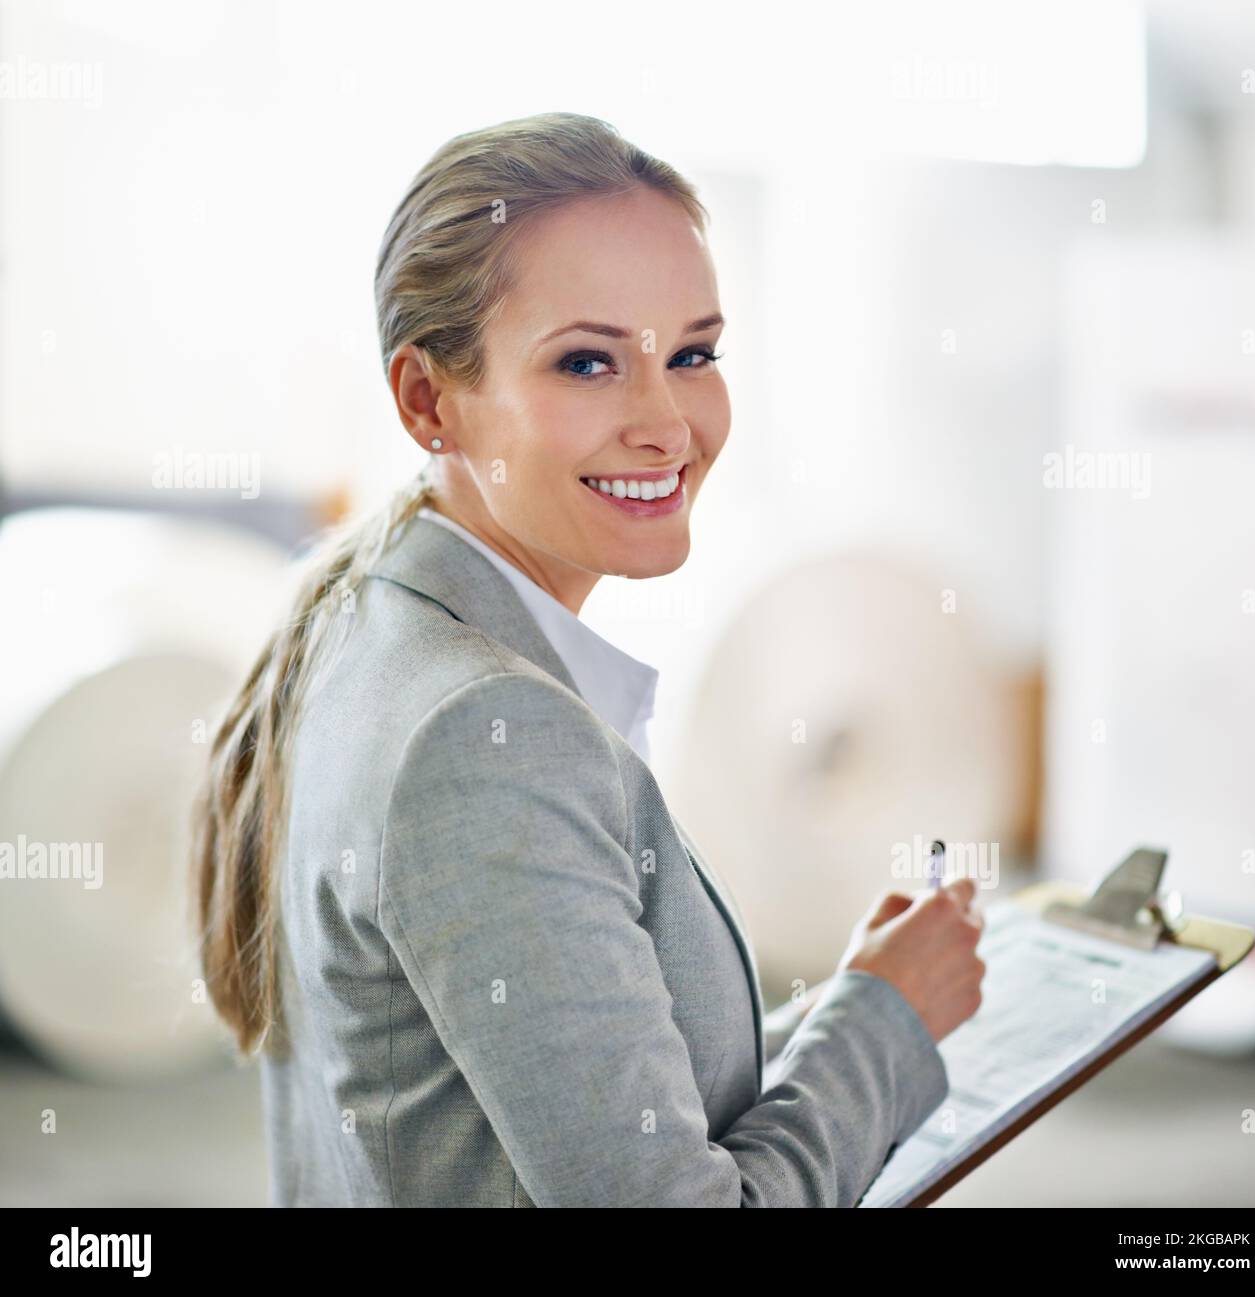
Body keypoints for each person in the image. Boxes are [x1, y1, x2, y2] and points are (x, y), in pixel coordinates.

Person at [191, 111, 985, 1208]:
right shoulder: (480, 739)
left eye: (694, 354)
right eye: (586, 363)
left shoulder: (366, 622)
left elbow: (578, 1098)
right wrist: (884, 1027)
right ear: (429, 400)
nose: (666, 423)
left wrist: (853, 1003)